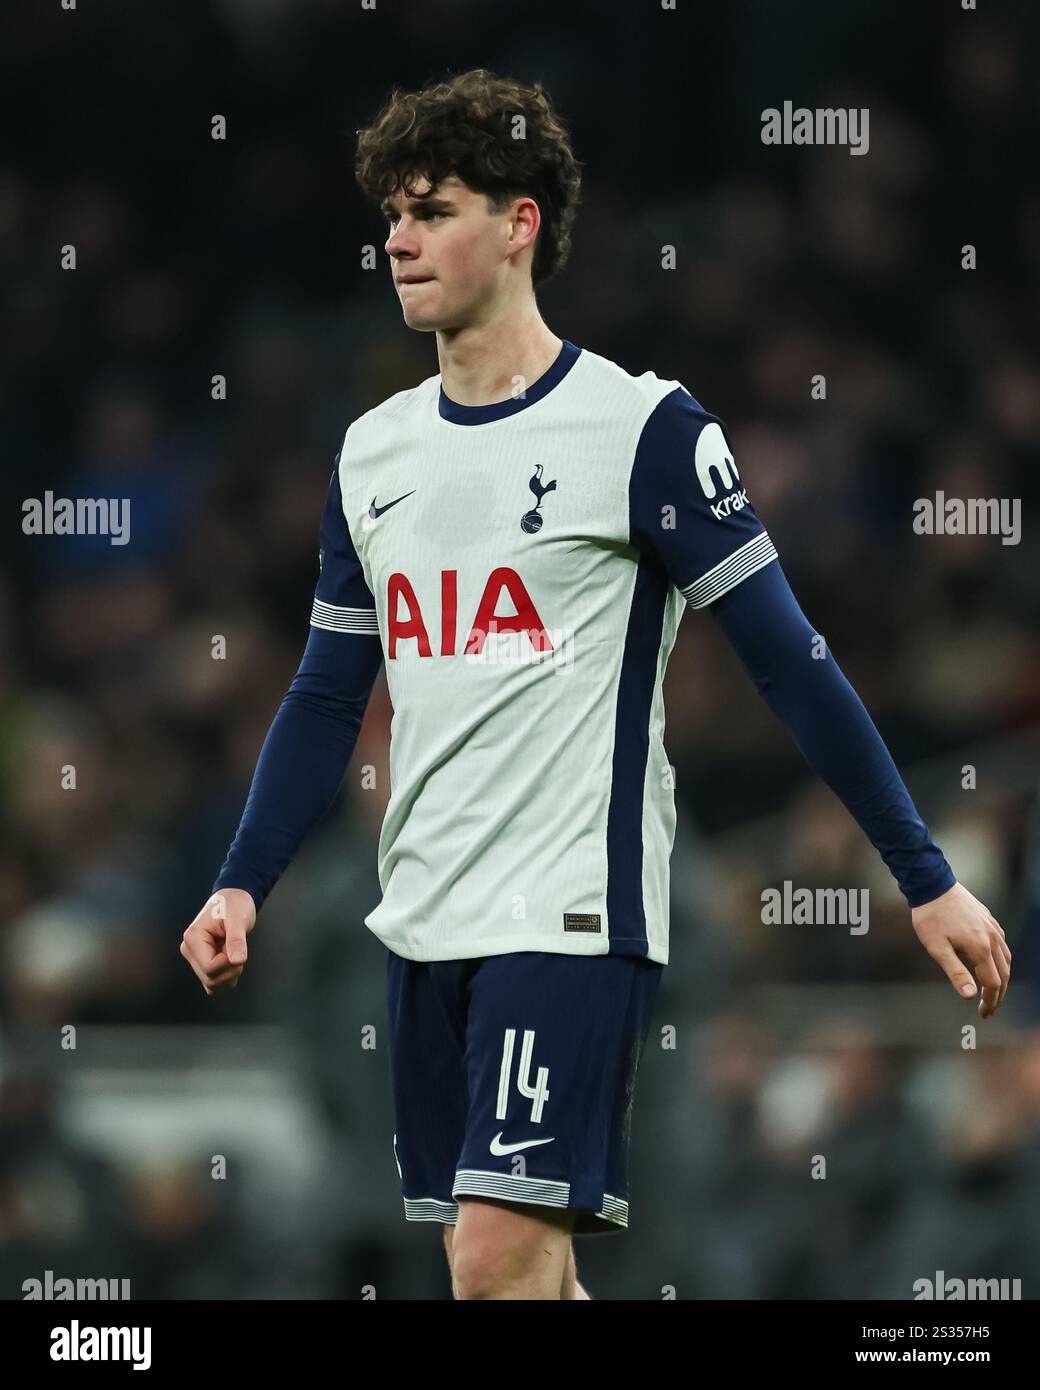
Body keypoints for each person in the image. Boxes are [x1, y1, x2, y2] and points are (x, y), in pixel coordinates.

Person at [180, 68, 1011, 1300]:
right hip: (425, 916)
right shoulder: (374, 452)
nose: (399, 240)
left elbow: (792, 662)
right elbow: (321, 695)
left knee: (493, 1259)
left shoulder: (641, 432)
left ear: (519, 225)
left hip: (567, 911)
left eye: (434, 208)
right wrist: (243, 879)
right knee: (526, 1270)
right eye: (390, 218)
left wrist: (922, 875)